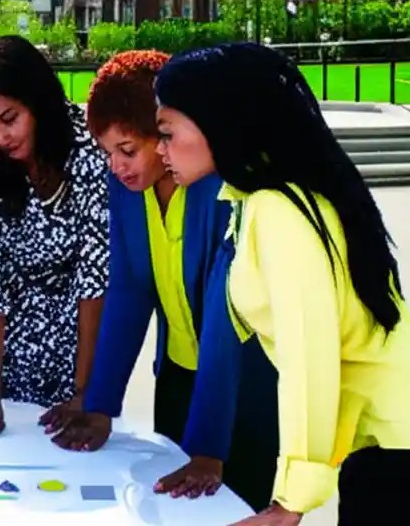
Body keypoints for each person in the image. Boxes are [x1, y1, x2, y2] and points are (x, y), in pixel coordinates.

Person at [154, 42, 410, 526]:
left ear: (218, 121)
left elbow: (308, 356)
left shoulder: (279, 210)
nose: (159, 148)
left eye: (167, 132)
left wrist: (290, 502)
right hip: (394, 435)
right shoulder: (258, 197)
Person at [77, 50, 278, 511]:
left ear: (164, 133)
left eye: (128, 150)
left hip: (243, 391)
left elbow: (226, 318)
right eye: (107, 152)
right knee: (171, 509)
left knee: (236, 511)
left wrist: (209, 448)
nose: (116, 166)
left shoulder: (219, 189)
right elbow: (128, 290)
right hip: (177, 378)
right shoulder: (127, 190)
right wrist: (99, 405)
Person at [0, 35, 110, 439]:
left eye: (9, 118)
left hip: (73, 340)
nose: (1, 138)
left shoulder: (89, 149)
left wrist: (85, 393)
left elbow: (95, 278)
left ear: (37, 101)